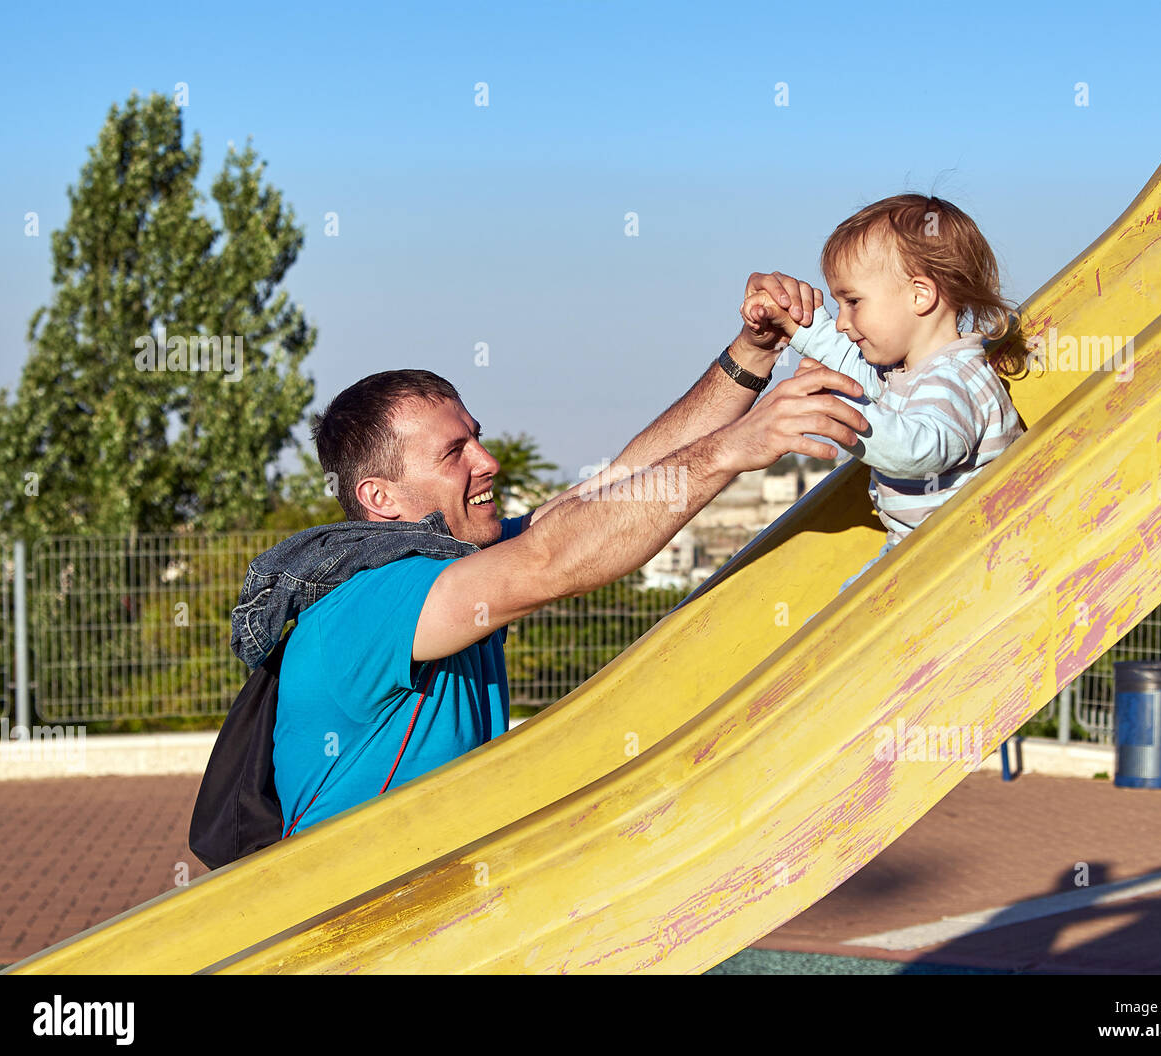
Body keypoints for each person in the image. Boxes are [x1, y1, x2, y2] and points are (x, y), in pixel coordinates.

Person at [238, 274, 872, 838]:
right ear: (380, 497)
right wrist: (737, 447)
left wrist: (751, 356)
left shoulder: (455, 560)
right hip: (348, 926)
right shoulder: (369, 597)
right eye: (452, 452)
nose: (487, 462)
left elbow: (620, 486)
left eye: (476, 438)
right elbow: (553, 560)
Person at [740, 194, 1027, 591]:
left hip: (963, 565)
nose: (842, 322)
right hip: (920, 555)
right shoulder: (905, 372)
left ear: (919, 295)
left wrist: (838, 409)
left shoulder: (955, 380)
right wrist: (794, 323)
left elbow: (919, 451)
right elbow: (850, 366)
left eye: (853, 301)